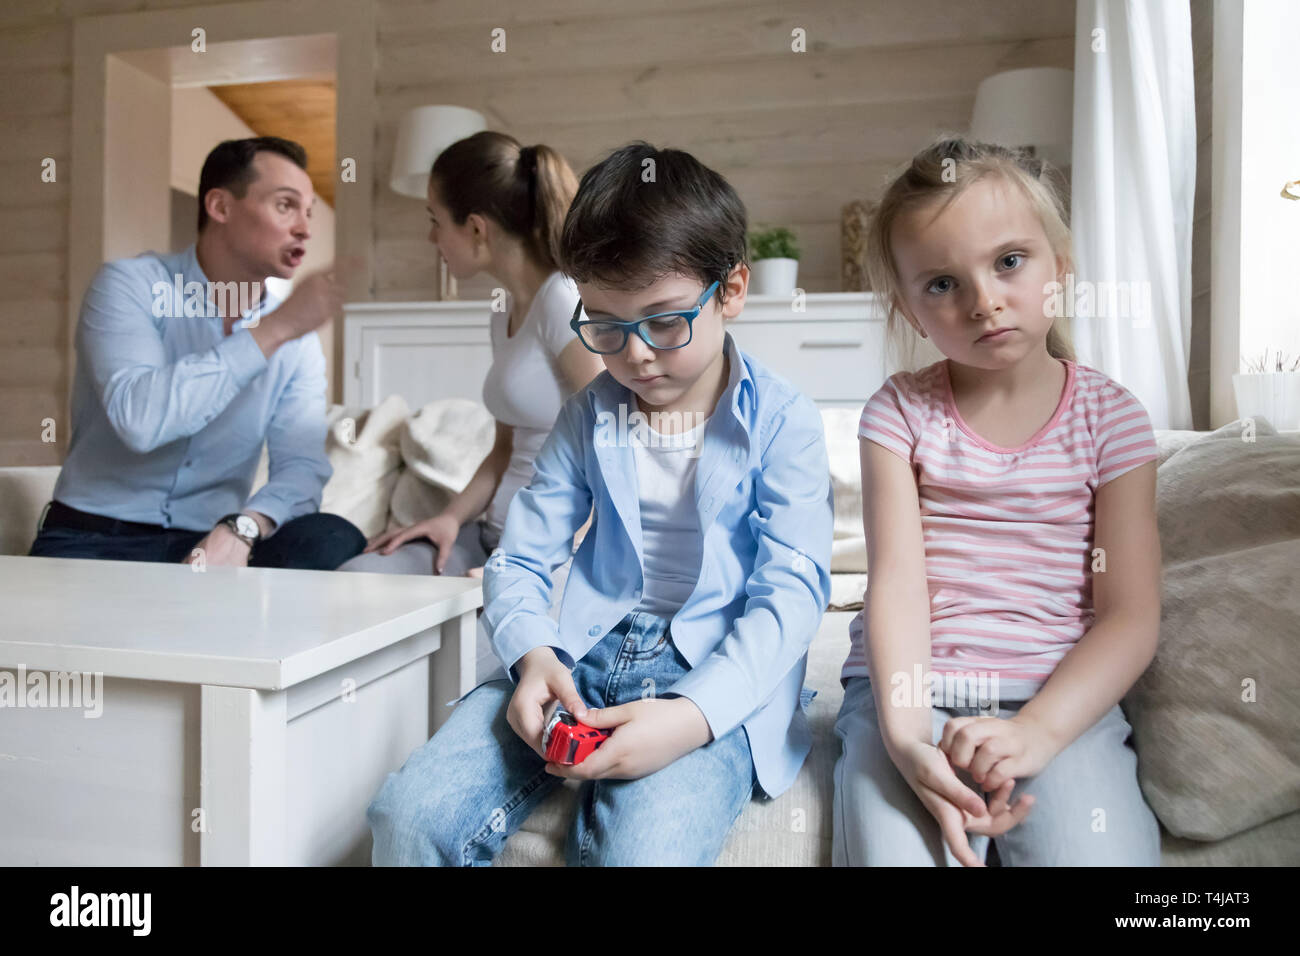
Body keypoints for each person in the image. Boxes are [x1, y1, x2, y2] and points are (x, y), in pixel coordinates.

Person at [366, 142, 834, 866]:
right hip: (584, 650)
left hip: (713, 665)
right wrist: (531, 654)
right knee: (406, 816)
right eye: (606, 326)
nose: (637, 356)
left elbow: (792, 596)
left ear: (732, 291)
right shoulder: (589, 413)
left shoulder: (784, 420)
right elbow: (522, 555)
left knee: (642, 855)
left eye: (665, 322)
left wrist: (690, 718)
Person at [833, 137, 1163, 866]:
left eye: (1009, 262)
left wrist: (1039, 732)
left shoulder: (1114, 419)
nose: (984, 301)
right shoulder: (897, 413)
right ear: (911, 311)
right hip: (911, 693)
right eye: (943, 284)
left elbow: (1131, 614)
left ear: (1061, 269)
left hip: (1056, 696)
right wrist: (908, 739)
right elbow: (896, 587)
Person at [29, 136, 364, 570]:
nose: (304, 228)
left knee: (333, 535)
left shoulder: (297, 339)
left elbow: (301, 467)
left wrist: (243, 527)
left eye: (308, 212)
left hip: (209, 547)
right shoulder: (129, 285)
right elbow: (141, 422)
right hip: (93, 537)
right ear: (220, 207)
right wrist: (274, 330)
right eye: (285, 206)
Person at [339, 132, 602, 582]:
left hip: (549, 558)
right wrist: (449, 518)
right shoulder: (503, 313)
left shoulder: (561, 299)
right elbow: (504, 450)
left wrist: (552, 561)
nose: (431, 236)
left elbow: (614, 433)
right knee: (358, 578)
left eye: (435, 220)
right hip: (492, 538)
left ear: (477, 228)